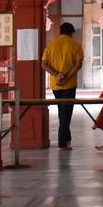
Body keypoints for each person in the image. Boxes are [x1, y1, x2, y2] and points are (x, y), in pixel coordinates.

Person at [42, 22, 83, 150]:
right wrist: (67, 76)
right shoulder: (75, 45)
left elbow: (44, 65)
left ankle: (67, 138)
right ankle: (62, 142)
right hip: (69, 84)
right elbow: (78, 65)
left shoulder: (51, 45)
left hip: (56, 84)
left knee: (62, 110)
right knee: (67, 112)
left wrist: (57, 75)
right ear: (71, 33)